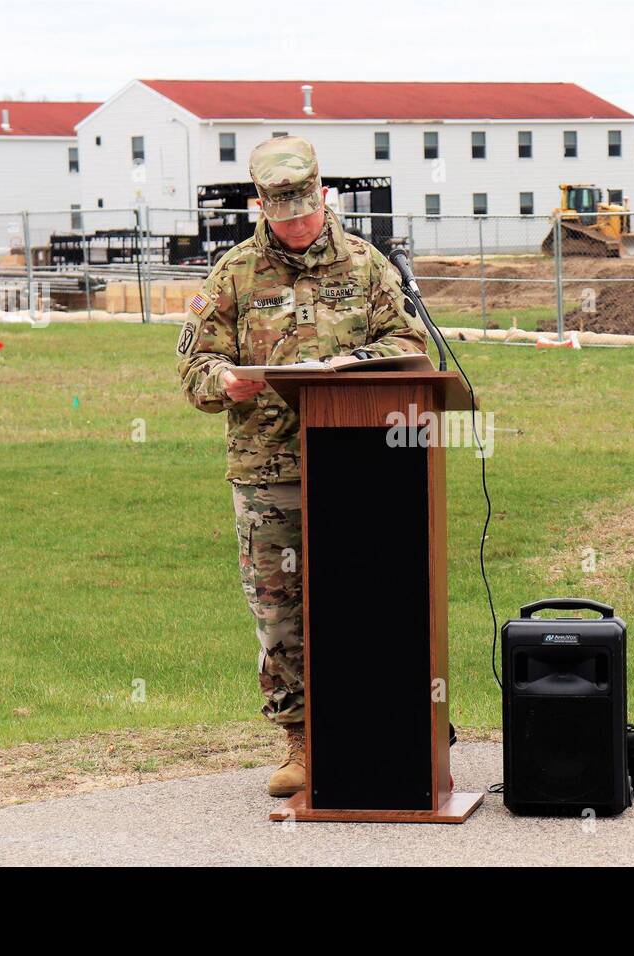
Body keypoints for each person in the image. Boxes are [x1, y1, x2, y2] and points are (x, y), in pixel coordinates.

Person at [177, 136, 429, 797]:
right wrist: (224, 382)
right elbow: (193, 367)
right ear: (261, 205)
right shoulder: (232, 274)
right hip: (270, 471)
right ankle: (301, 742)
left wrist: (352, 366)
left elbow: (409, 344)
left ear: (324, 196)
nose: (296, 227)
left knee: (372, 600)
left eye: (305, 212)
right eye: (281, 216)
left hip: (364, 464)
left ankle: (380, 730)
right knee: (280, 612)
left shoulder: (369, 266)